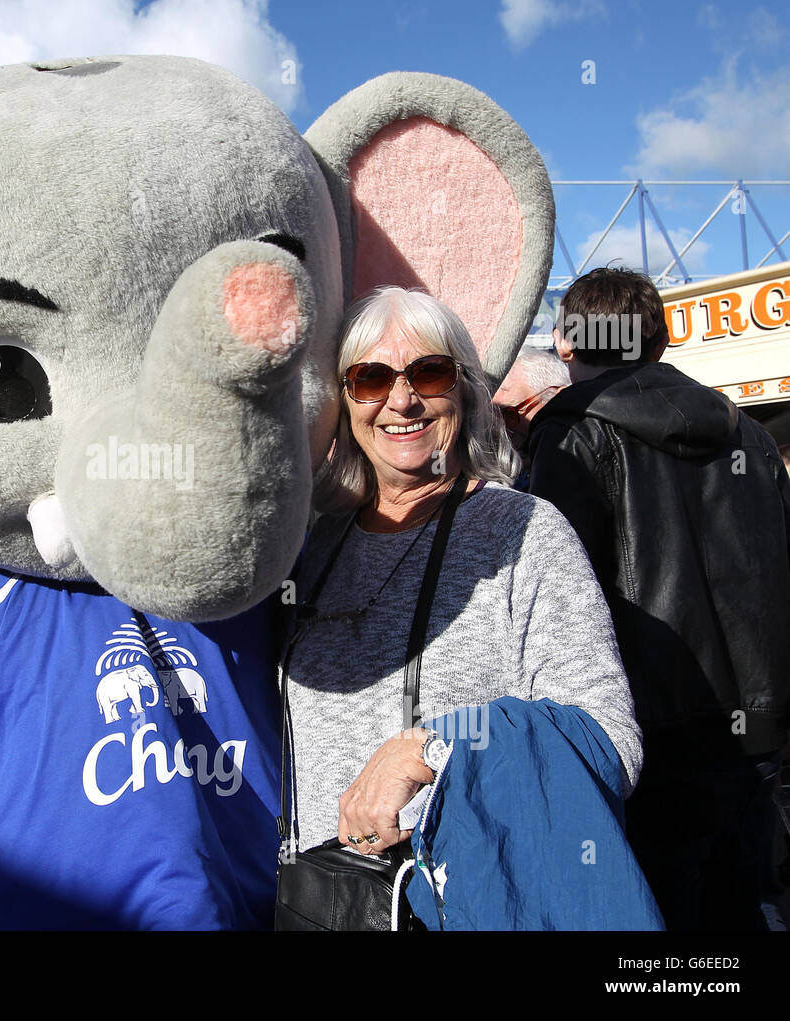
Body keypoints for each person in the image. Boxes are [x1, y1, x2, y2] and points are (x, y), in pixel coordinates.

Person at [289, 287, 642, 877]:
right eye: (372, 379)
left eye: (429, 373)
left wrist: (429, 749)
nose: (402, 401)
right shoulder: (318, 545)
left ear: (465, 392)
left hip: (464, 900)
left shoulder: (522, 531)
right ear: (344, 403)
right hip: (316, 904)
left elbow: (609, 742)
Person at [527, 266, 790, 930]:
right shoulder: (752, 437)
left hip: (649, 742)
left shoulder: (569, 432)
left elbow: (556, 596)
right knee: (750, 906)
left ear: (566, 341)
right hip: (758, 730)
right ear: (661, 340)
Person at [492, 347, 568, 488]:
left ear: (557, 398)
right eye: (491, 416)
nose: (500, 428)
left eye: (509, 414)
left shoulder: (582, 470)